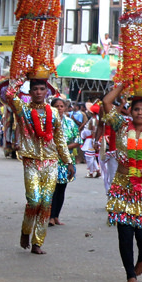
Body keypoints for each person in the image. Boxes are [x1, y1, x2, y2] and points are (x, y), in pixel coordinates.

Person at [0, 78, 72, 255]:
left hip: (51, 161)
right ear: (29, 92)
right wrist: (23, 76)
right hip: (31, 161)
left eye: (41, 89)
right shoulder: (22, 110)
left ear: (46, 92)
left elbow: (60, 139)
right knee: (34, 200)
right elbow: (9, 94)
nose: (38, 92)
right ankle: (25, 231)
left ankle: (37, 242)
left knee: (46, 203)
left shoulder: (53, 112)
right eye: (35, 89)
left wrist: (68, 162)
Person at [102, 82, 142, 282]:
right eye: (136, 109)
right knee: (125, 234)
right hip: (122, 188)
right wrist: (123, 85)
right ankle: (130, 274)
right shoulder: (120, 126)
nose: (139, 113)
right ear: (130, 110)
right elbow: (106, 102)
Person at [49, 97, 79, 227]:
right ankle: (50, 215)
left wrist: (64, 148)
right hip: (51, 159)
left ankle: (56, 216)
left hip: (66, 160)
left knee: (61, 189)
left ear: (65, 108)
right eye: (56, 106)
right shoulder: (47, 122)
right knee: (52, 189)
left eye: (61, 106)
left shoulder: (70, 123)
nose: (59, 109)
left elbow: (78, 141)